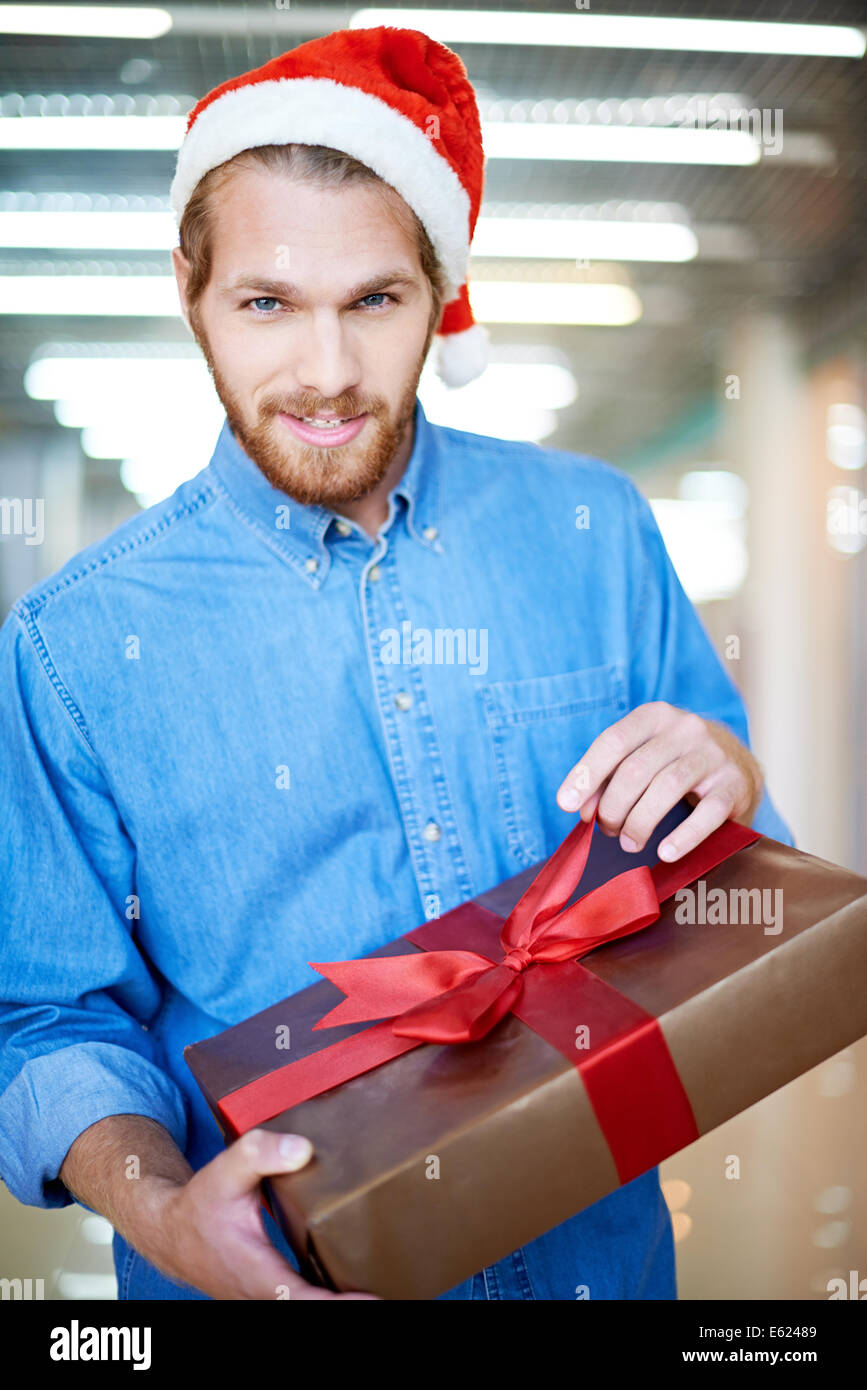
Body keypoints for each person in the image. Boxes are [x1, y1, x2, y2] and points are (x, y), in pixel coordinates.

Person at [0, 26, 793, 1302]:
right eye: (267, 302)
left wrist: (734, 774)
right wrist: (164, 1217)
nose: (325, 375)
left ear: (442, 292)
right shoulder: (72, 643)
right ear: (190, 291)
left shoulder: (596, 535)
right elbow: (44, 1017)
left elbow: (730, 888)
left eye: (375, 300)